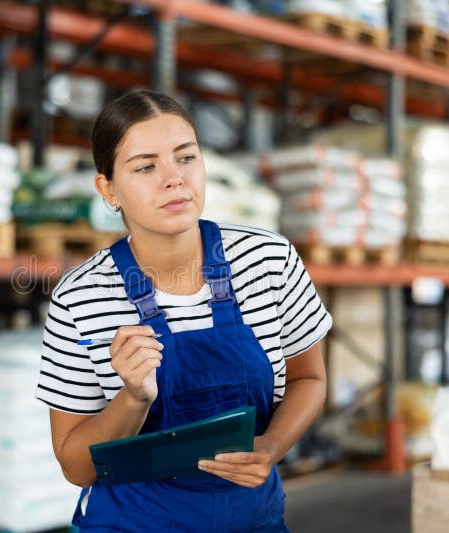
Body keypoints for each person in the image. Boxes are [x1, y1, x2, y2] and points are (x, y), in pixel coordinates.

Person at [36, 90, 332, 532]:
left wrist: (271, 446)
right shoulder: (81, 298)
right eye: (146, 167)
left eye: (186, 158)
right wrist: (133, 397)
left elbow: (309, 378)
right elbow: (77, 466)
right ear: (108, 189)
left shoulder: (268, 259)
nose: (174, 179)